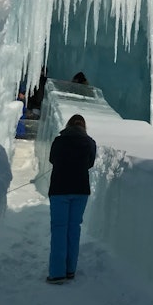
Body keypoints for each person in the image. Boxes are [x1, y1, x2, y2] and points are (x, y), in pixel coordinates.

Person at [46, 114, 97, 284]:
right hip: (81, 190)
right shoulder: (90, 142)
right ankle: (70, 270)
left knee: (59, 229)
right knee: (74, 230)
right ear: (84, 127)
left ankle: (57, 273)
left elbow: (52, 159)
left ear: (68, 125)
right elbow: (90, 163)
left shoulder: (59, 141)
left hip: (59, 189)